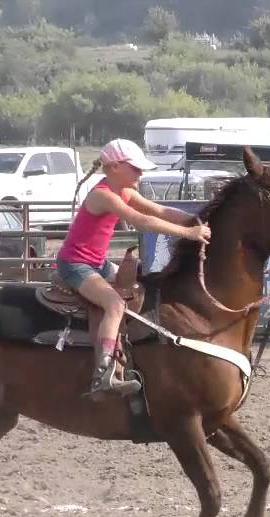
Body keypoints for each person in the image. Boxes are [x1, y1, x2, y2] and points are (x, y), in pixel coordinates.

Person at [56, 138, 211, 399]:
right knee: (115, 305)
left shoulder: (123, 192)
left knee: (138, 289)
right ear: (115, 167)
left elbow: (160, 209)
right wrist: (189, 232)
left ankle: (131, 349)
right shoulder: (102, 195)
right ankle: (104, 373)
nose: (141, 173)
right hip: (75, 264)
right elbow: (143, 220)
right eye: (136, 168)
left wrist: (197, 220)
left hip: (96, 262)